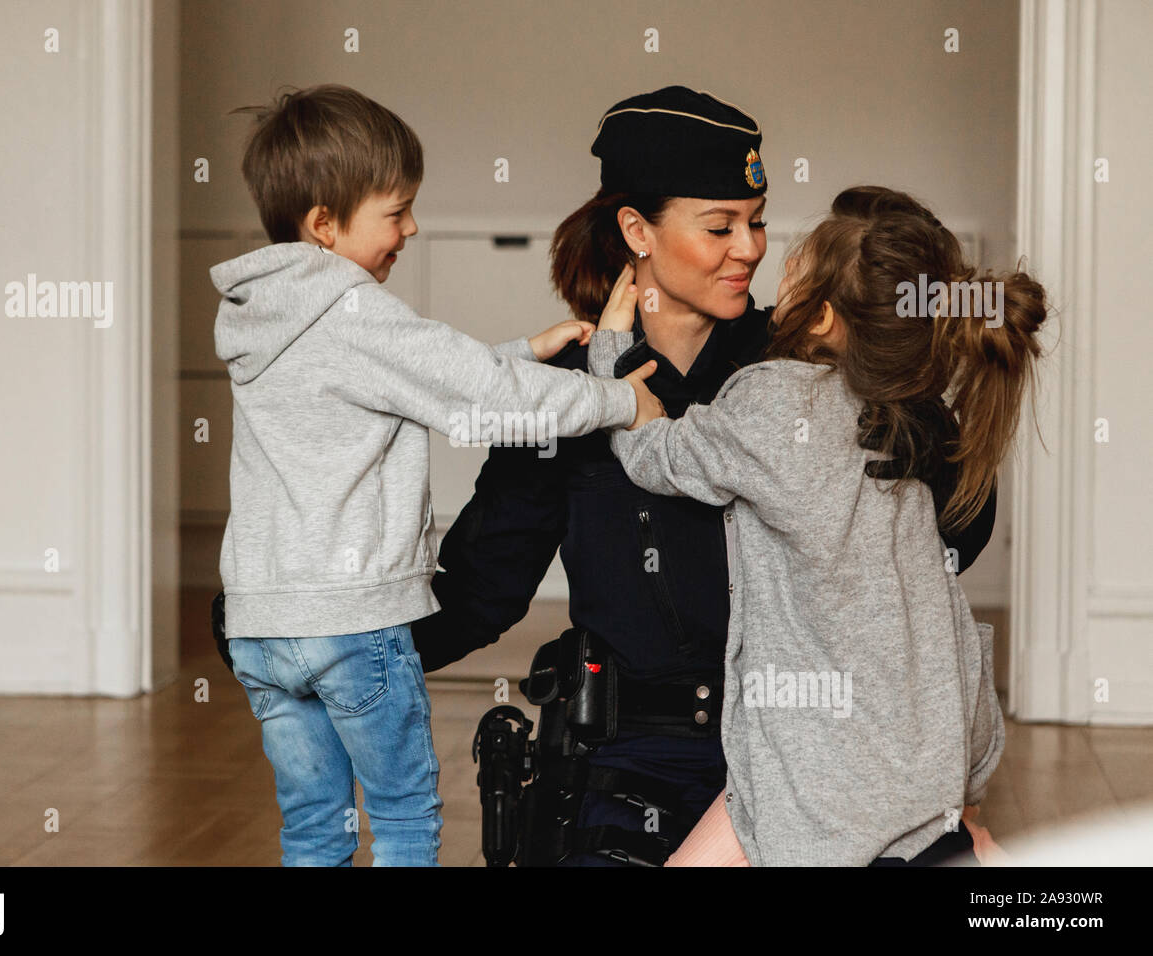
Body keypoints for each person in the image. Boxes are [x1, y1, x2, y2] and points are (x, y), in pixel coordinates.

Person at [409, 87, 999, 866]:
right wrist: (328, 646)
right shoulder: (560, 394)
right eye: (720, 226)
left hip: (804, 756)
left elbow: (956, 531)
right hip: (630, 762)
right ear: (636, 231)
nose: (750, 248)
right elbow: (480, 591)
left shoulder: (806, 367)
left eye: (756, 221)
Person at [212, 84, 659, 867]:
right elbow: (476, 399)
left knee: (315, 828)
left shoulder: (266, 314)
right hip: (350, 625)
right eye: (396, 211)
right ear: (325, 224)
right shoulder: (352, 310)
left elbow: (414, 381)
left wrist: (523, 351)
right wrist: (616, 397)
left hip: (262, 627)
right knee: (406, 821)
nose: (411, 228)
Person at [587, 185, 1044, 865]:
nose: (770, 263)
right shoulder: (910, 413)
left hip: (816, 784)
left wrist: (610, 357)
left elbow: (654, 455)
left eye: (793, 265)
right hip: (926, 772)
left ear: (826, 317)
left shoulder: (776, 403)